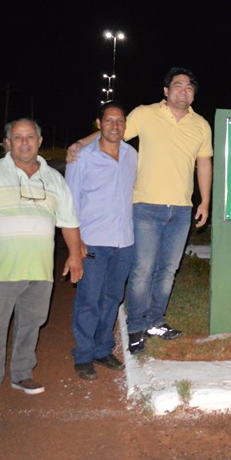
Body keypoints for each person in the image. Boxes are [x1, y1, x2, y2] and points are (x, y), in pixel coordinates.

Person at [68, 67, 212, 355]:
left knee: (168, 270)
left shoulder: (201, 125)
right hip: (145, 207)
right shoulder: (145, 114)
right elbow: (112, 134)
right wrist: (79, 144)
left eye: (189, 87)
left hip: (181, 210)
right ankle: (135, 326)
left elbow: (204, 162)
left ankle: (156, 320)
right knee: (142, 270)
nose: (184, 91)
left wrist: (204, 201)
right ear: (166, 91)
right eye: (178, 85)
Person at [0, 118, 84, 405]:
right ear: (7, 143)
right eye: (18, 137)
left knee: (32, 323)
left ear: (39, 141)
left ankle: (22, 373)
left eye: (30, 137)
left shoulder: (54, 179)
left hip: (39, 269)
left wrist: (75, 255)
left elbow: (69, 222)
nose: (24, 142)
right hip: (1, 267)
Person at [65, 101, 138, 380]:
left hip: (124, 241)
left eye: (120, 121)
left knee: (112, 298)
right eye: (109, 120)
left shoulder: (132, 155)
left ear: (125, 125)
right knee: (89, 299)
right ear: (99, 124)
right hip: (92, 241)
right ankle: (83, 354)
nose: (115, 125)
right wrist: (75, 242)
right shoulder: (82, 158)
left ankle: (102, 348)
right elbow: (70, 203)